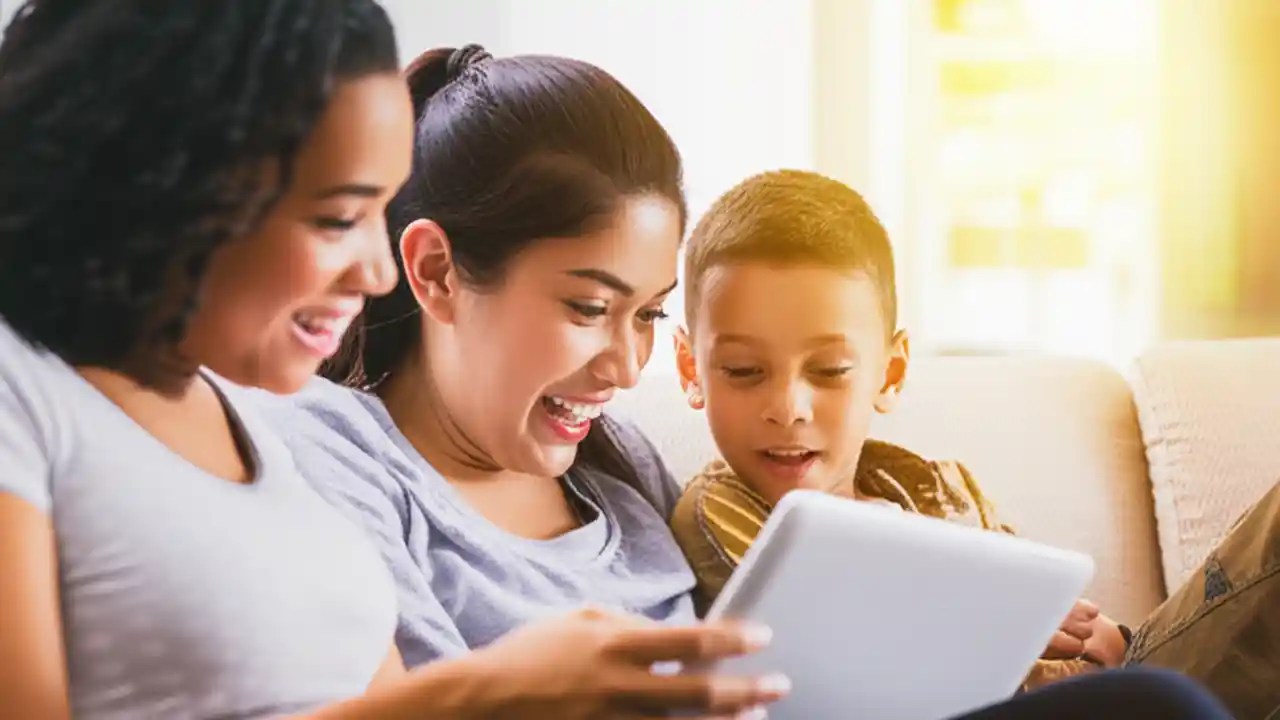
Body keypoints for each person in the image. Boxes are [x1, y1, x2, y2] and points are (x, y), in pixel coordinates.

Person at [0, 4, 786, 718]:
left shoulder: (244, 429)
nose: (381, 275)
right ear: (173, 181)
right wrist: (484, 693)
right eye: (342, 217)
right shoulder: (27, 395)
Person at [269, 43, 705, 666]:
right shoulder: (332, 453)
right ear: (437, 272)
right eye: (587, 308)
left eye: (648, 314)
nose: (628, 368)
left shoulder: (622, 465)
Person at [666, 170, 1127, 689]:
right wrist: (990, 621)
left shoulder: (943, 490)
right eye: (745, 371)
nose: (788, 408)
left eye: (830, 371)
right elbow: (839, 650)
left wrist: (1097, 637)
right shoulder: (720, 511)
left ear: (891, 373)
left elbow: (1054, 620)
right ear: (691, 370)